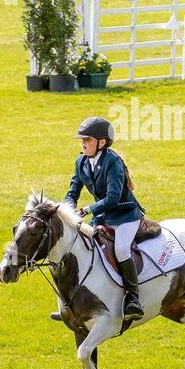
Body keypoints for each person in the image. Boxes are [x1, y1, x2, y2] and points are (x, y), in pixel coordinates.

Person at [61, 117, 146, 322]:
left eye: (87, 139)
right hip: (104, 216)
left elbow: (113, 198)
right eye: (81, 140)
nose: (83, 143)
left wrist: (88, 209)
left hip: (125, 216)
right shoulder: (81, 162)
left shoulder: (112, 162)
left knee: (121, 249)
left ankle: (133, 299)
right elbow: (73, 191)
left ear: (102, 142)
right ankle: (73, 303)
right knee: (82, 246)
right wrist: (64, 209)